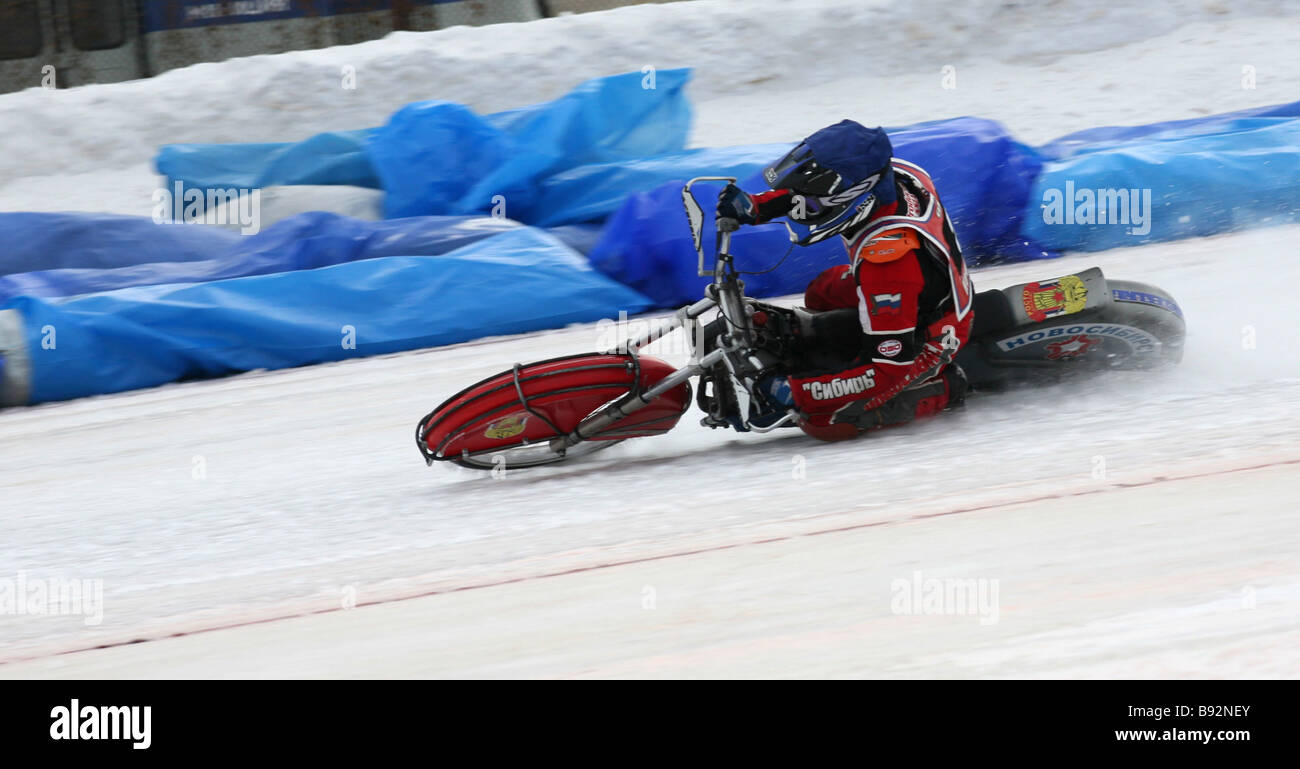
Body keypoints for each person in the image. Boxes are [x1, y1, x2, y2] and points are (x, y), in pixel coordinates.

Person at [715, 119, 975, 441]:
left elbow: (887, 369)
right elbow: (814, 193)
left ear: (856, 198)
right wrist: (756, 207)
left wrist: (795, 391)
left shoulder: (888, 263)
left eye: (810, 201)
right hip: (927, 285)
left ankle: (944, 388)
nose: (801, 206)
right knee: (819, 292)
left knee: (825, 422)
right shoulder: (896, 174)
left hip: (934, 334)